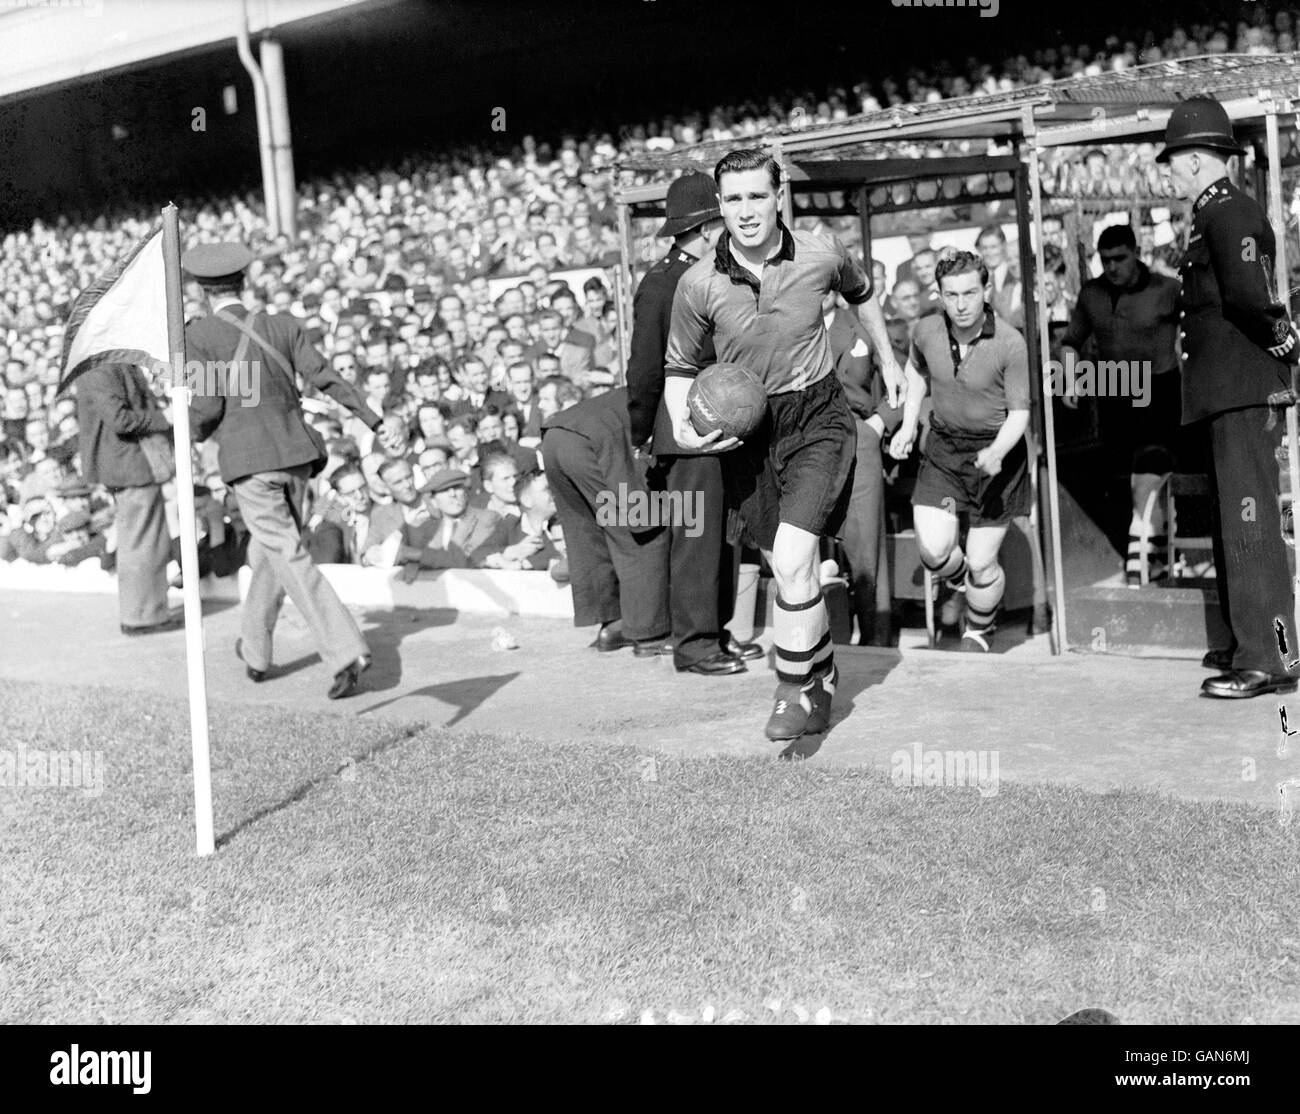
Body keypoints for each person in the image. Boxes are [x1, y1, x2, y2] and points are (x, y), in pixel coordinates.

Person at [663, 148, 903, 743]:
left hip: (817, 417)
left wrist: (891, 360)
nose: (745, 211)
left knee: (796, 560)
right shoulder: (697, 284)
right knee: (790, 573)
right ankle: (821, 675)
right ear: (720, 207)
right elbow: (679, 367)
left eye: (756, 196)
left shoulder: (822, 252)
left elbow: (861, 294)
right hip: (749, 435)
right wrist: (684, 424)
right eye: (733, 199)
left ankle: (792, 689)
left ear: (778, 197)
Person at [184, 242, 402, 698]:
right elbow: (326, 377)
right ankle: (256, 651)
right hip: (297, 459)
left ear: (202, 291)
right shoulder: (282, 324)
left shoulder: (199, 337)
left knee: (287, 554)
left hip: (249, 464)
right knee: (274, 553)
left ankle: (346, 651)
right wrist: (374, 420)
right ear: (243, 282)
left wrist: (184, 431)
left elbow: (206, 408)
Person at [1158, 96, 1299, 698]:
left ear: (1194, 161)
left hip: (1242, 391)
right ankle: (1251, 643)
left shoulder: (1229, 214)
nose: (1167, 172)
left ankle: (1273, 657)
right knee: (1234, 522)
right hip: (1227, 393)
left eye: (1171, 161)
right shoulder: (1212, 215)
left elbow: (1250, 297)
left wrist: (1286, 341)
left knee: (1251, 525)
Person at [626, 170, 759, 676]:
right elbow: (644, 368)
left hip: (722, 422)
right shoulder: (662, 284)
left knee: (722, 536)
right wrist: (641, 433)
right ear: (706, 228)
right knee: (696, 541)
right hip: (685, 427)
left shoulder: (710, 276)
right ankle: (694, 644)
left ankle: (715, 633)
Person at [890, 249, 1032, 653]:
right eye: (951, 295)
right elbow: (916, 372)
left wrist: (998, 451)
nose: (961, 304)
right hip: (945, 454)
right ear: (939, 294)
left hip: (997, 456)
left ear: (986, 290)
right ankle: (964, 581)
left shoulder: (1010, 343)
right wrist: (908, 423)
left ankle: (979, 629)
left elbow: (1020, 415)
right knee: (934, 551)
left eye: (970, 293)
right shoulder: (926, 330)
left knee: (983, 561)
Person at [1058, 223, 1186, 585]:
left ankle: (1141, 556)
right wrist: (1070, 377)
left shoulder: (1167, 289)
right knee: (1126, 480)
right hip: (1115, 391)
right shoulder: (1092, 293)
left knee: (1151, 469)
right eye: (1105, 260)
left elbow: (1200, 331)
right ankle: (1155, 554)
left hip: (1160, 391)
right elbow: (1071, 341)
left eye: (1120, 258)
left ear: (1136, 253)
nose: (1112, 267)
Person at [542, 386, 671, 655]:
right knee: (642, 529)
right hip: (598, 440)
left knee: (587, 534)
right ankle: (649, 633)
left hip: (555, 437)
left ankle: (612, 625)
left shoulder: (658, 383)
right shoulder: (689, 388)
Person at [72, 361, 181, 634]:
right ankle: (142, 616)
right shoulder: (102, 368)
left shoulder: (106, 365)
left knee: (144, 540)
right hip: (129, 465)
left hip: (130, 465)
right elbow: (120, 420)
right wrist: (164, 417)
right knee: (143, 542)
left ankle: (146, 612)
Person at [823, 288, 901, 644]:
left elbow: (902, 379)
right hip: (808, 440)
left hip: (858, 438)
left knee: (865, 540)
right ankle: (824, 637)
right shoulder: (792, 328)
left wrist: (879, 424)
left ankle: (876, 636)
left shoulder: (864, 328)